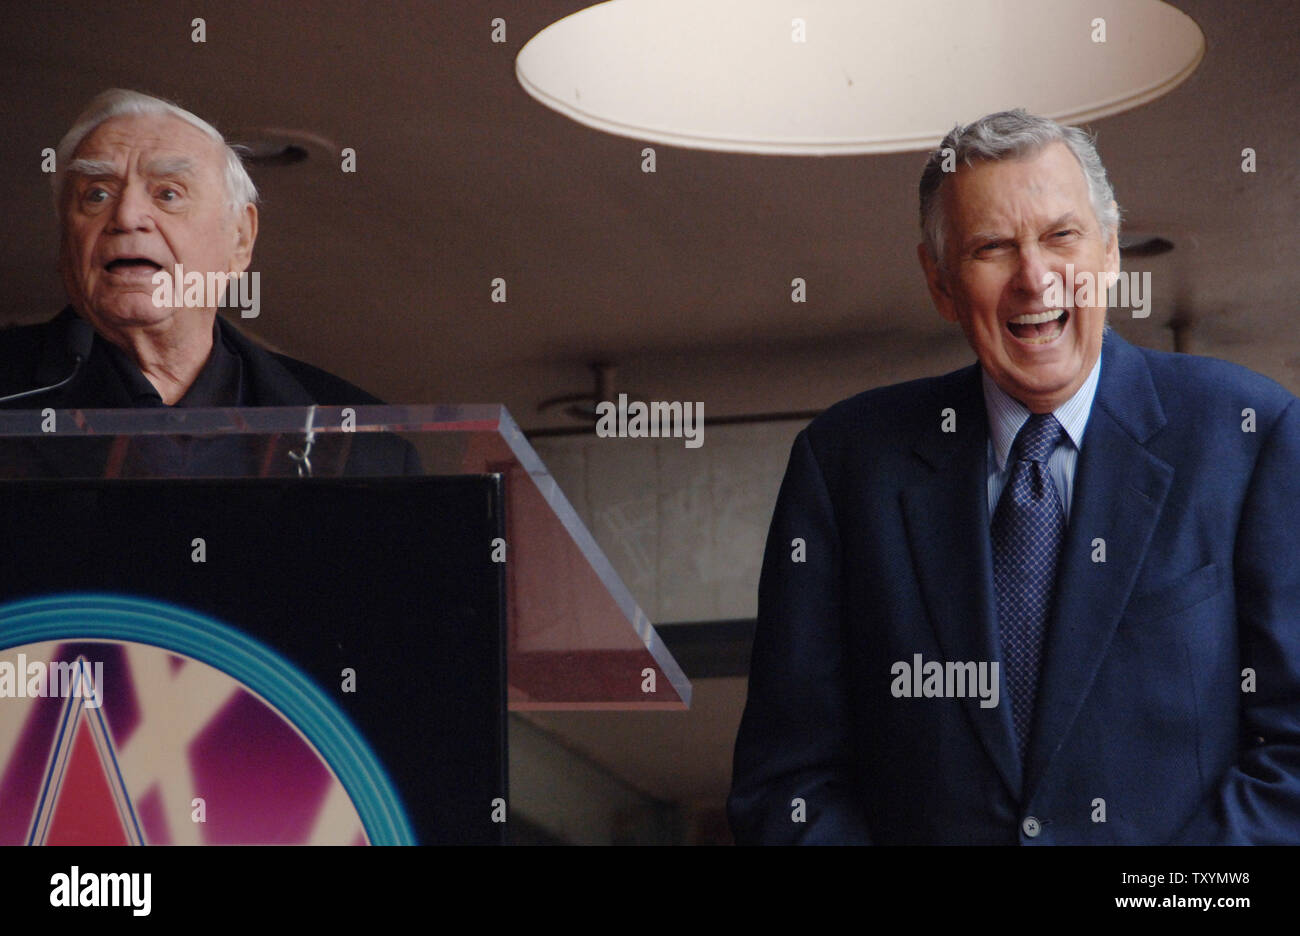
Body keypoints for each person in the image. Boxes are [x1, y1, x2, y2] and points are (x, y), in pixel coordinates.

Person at [728, 109, 1300, 845]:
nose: (1035, 279)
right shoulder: (845, 466)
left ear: (1109, 251)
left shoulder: (1247, 435)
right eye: (993, 247)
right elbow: (787, 782)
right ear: (939, 284)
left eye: (1061, 236)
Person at [0, 89, 414, 476]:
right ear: (65, 240)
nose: (126, 216)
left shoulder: (356, 440)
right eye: (97, 195)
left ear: (240, 239)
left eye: (168, 194)